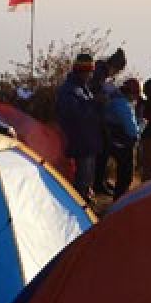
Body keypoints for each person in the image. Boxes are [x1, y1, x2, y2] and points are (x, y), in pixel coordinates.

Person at [55, 53, 102, 201]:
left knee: (87, 183)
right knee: (80, 185)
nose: (91, 75)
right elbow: (74, 116)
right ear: (82, 71)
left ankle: (86, 209)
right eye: (89, 71)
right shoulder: (69, 91)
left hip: (88, 144)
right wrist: (94, 103)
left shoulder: (84, 89)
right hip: (79, 146)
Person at [92, 48, 128, 194]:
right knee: (103, 150)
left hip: (100, 117)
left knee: (104, 150)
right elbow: (95, 93)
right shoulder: (100, 73)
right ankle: (97, 183)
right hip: (96, 118)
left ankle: (100, 180)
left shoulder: (101, 72)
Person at [106, 77, 143, 199]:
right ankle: (120, 202)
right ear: (131, 93)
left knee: (121, 175)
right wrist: (142, 124)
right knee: (125, 176)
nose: (136, 99)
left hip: (112, 141)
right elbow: (133, 132)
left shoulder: (113, 98)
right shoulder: (124, 106)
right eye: (136, 96)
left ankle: (118, 198)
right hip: (123, 145)